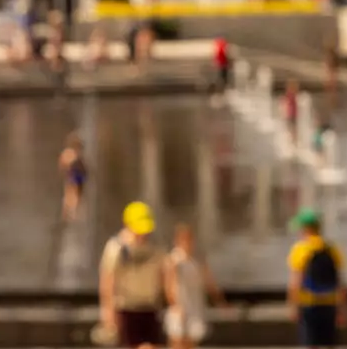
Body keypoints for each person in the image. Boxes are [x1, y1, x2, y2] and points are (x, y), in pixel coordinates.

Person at [100, 201, 168, 349]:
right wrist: (109, 314)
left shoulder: (156, 247)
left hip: (151, 307)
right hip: (127, 308)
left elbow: (165, 275)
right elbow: (108, 281)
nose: (142, 234)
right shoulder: (117, 248)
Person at [287, 208, 347, 349]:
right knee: (329, 343)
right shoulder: (332, 249)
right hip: (330, 303)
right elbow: (340, 282)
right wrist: (343, 309)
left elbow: (295, 282)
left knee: (310, 343)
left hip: (309, 303)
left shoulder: (301, 249)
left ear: (306, 228)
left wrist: (293, 306)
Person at [164, 224, 225, 349]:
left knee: (192, 342)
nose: (187, 243)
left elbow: (209, 282)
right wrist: (175, 304)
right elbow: (170, 283)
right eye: (184, 239)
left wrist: (220, 301)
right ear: (178, 241)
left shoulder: (197, 259)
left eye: (189, 239)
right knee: (177, 342)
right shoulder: (174, 259)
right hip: (180, 307)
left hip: (195, 306)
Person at [58, 133, 87, 221]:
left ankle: (69, 212)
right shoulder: (77, 153)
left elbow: (61, 165)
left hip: (73, 174)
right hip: (79, 174)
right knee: (77, 193)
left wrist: (63, 173)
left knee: (70, 192)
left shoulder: (67, 153)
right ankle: (75, 211)